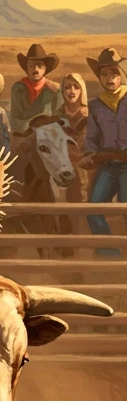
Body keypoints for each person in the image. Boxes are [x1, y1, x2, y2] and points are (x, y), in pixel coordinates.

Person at [81, 48, 127, 257]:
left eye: (114, 73)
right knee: (93, 210)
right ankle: (110, 256)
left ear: (122, 75)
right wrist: (90, 153)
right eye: (105, 74)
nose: (110, 78)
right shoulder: (97, 105)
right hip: (107, 166)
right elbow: (91, 136)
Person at [10, 43, 63, 140]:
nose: (35, 69)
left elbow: (60, 121)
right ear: (26, 68)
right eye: (31, 65)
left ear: (45, 68)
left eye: (39, 65)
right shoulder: (18, 88)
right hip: (22, 137)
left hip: (48, 138)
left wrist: (58, 92)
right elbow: (14, 122)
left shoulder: (54, 89)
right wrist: (35, 126)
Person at [58, 72, 90, 206]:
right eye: (68, 87)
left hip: (84, 165)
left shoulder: (90, 114)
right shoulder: (57, 115)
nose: (71, 91)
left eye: (76, 87)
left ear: (82, 90)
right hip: (63, 164)